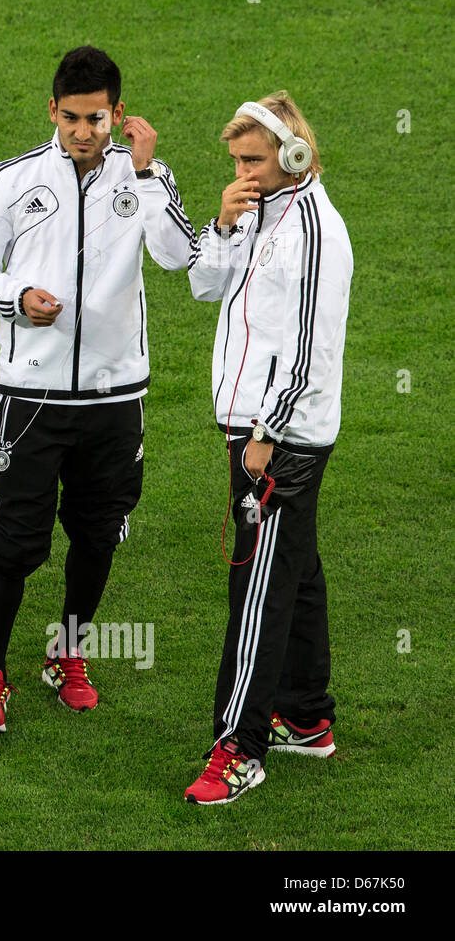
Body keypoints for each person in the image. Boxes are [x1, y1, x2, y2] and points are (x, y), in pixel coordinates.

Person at [0, 46, 195, 732]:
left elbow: (180, 256)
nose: (82, 131)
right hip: (31, 397)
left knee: (96, 533)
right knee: (12, 538)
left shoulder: (145, 175)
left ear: (118, 113)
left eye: (95, 118)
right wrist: (15, 295)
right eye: (70, 117)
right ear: (51, 111)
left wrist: (146, 173)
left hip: (116, 400)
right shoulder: (14, 178)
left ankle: (69, 653)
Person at [183, 93, 352, 805]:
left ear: (294, 154)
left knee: (255, 589)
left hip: (280, 437)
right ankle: (307, 717)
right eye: (235, 162)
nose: (243, 173)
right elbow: (201, 286)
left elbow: (309, 347)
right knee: (297, 570)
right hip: (253, 426)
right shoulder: (259, 212)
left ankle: (238, 746)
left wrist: (266, 434)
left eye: (253, 160)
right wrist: (223, 224)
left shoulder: (315, 230)